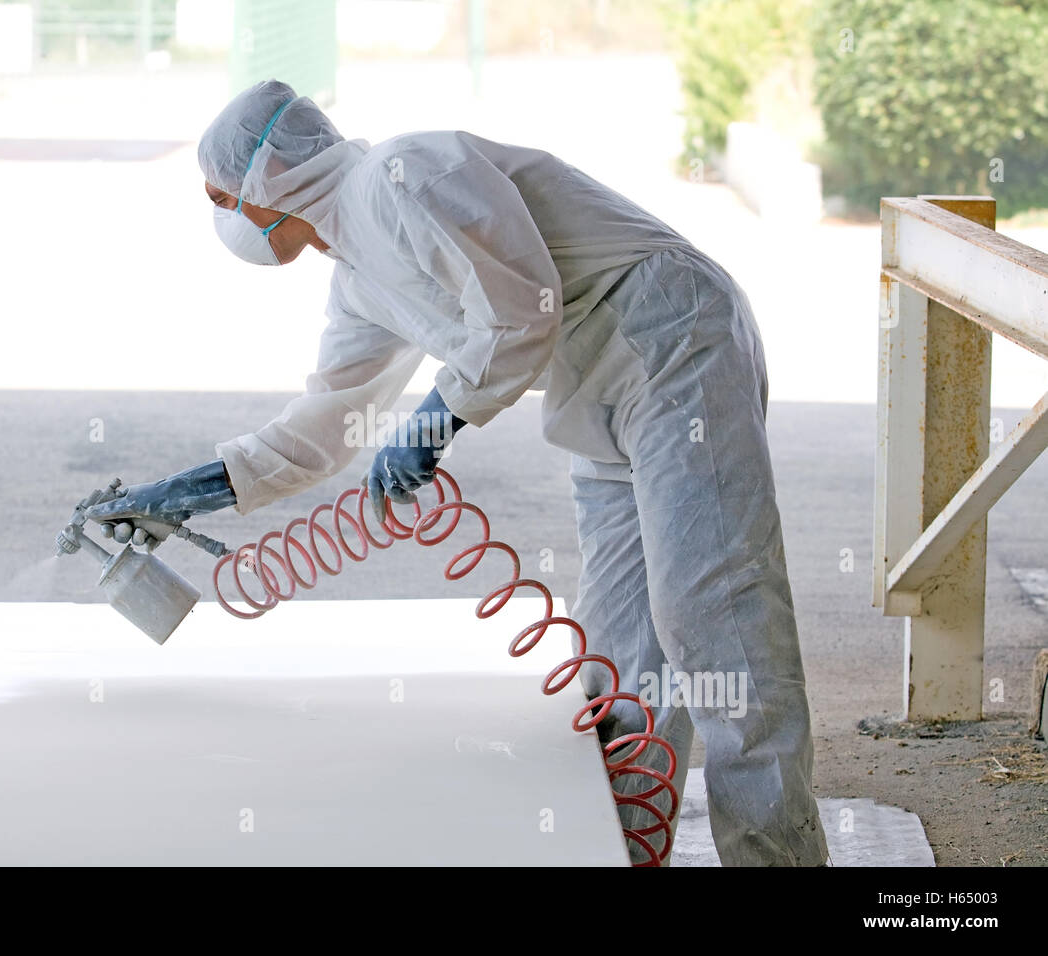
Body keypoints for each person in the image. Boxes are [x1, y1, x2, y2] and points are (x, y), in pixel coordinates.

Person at [86, 79, 830, 866]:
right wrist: (193, 490)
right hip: (595, 395)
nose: (224, 219)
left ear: (270, 179)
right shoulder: (357, 279)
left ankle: (776, 856)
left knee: (713, 613)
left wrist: (434, 420)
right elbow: (329, 419)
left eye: (221, 196)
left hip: (670, 339)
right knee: (620, 653)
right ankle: (622, 846)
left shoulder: (407, 172)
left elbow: (526, 304)